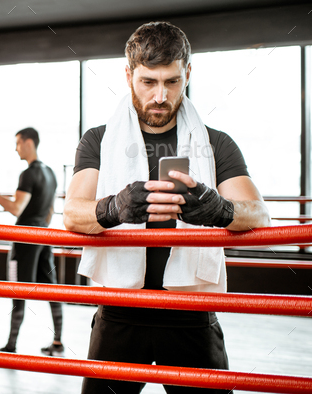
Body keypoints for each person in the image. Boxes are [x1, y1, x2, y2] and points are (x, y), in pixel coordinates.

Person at [63, 22, 270, 393]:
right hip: (120, 309)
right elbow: (71, 214)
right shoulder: (98, 140)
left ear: (188, 73)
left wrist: (218, 209)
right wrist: (114, 207)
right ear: (128, 76)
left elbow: (258, 213)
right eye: (148, 82)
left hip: (190, 311)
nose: (160, 96)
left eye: (172, 82)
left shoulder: (215, 143)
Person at [0, 127, 65, 357]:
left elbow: (15, 208)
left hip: (25, 239)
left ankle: (11, 345)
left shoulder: (28, 174)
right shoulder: (50, 173)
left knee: (18, 289)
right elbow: (50, 210)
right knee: (53, 290)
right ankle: (58, 341)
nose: (16, 148)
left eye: (18, 142)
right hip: (44, 236)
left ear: (29, 142)